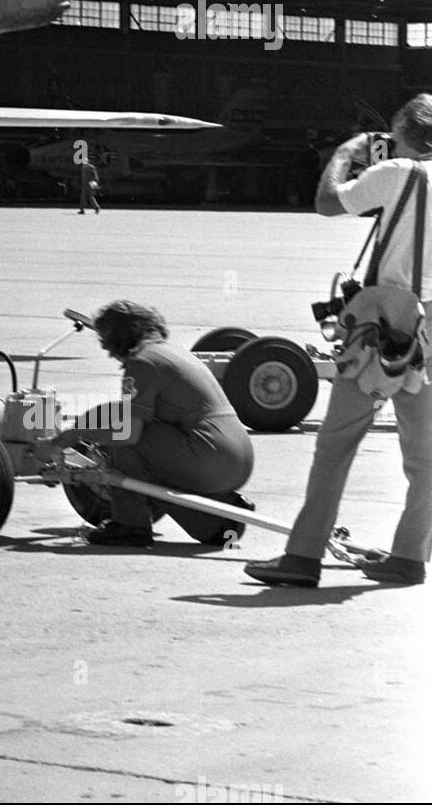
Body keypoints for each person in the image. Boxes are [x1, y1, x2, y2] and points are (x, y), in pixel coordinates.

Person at [246, 95, 432, 588]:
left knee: (337, 443)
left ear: (406, 135)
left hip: (386, 324)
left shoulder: (399, 173)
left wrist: (346, 153)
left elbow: (328, 203)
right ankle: (409, 557)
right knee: (426, 455)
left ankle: (303, 557)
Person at [46, 299, 255, 546]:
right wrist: (77, 431)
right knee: (144, 462)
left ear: (119, 339)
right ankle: (219, 518)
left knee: (123, 439)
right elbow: (122, 411)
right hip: (235, 457)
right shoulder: (172, 352)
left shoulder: (142, 362)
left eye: (107, 344)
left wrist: (81, 437)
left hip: (210, 456)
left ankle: (130, 526)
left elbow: (127, 433)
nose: (109, 352)